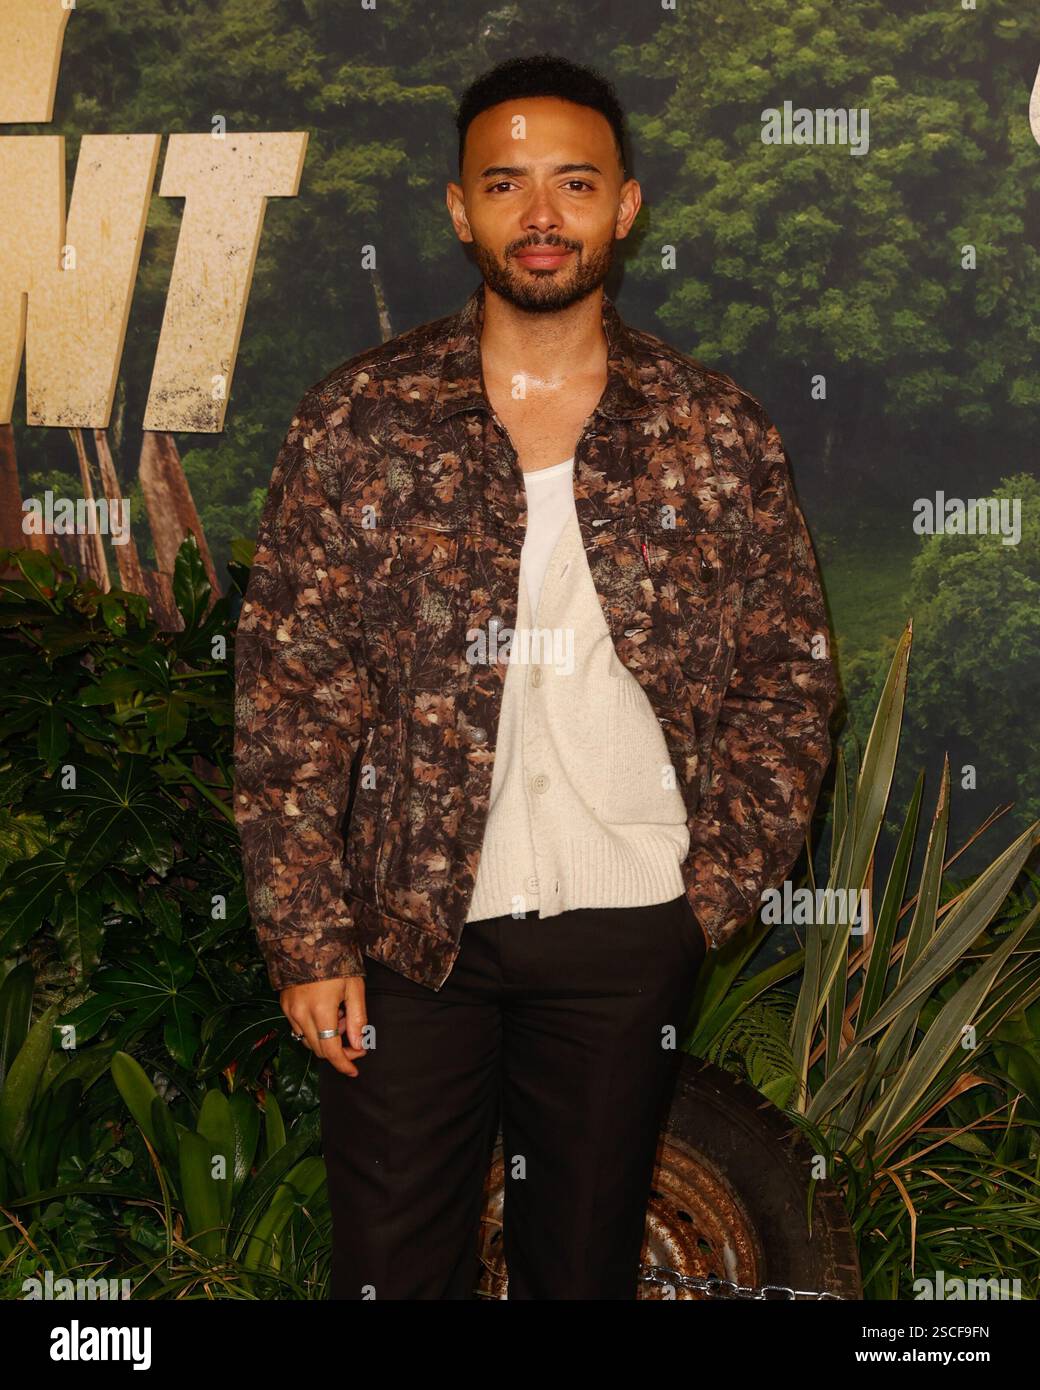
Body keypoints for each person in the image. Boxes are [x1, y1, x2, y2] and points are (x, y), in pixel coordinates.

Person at [233, 52, 839, 1300]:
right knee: (392, 1272)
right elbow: (289, 693)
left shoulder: (712, 430)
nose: (541, 215)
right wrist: (307, 936)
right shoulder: (360, 419)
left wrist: (703, 897)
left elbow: (787, 682)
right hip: (410, 932)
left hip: (629, 924)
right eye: (505, 185)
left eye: (573, 182)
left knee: (580, 1270)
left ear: (625, 205)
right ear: (460, 211)